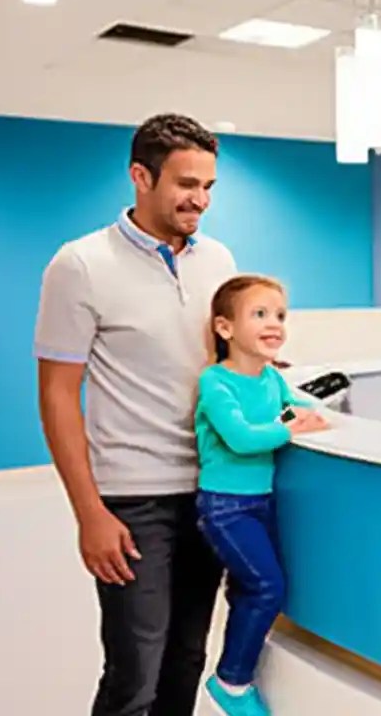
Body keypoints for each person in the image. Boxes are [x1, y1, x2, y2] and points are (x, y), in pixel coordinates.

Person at [35, 113, 238, 716]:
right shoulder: (80, 265)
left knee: (186, 659)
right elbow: (56, 394)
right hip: (134, 498)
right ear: (139, 176)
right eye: (185, 184)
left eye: (207, 186)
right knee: (134, 674)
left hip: (208, 491)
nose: (199, 199)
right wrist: (89, 512)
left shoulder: (218, 258)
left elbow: (230, 362)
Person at [194, 275, 329, 715]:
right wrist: (289, 427)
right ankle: (230, 681)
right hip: (225, 507)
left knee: (250, 587)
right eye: (260, 314)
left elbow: (286, 408)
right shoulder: (216, 382)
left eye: (280, 316)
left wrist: (307, 418)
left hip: (260, 501)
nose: (274, 324)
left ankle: (240, 662)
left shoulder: (271, 379)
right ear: (225, 328)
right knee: (267, 586)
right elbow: (240, 437)